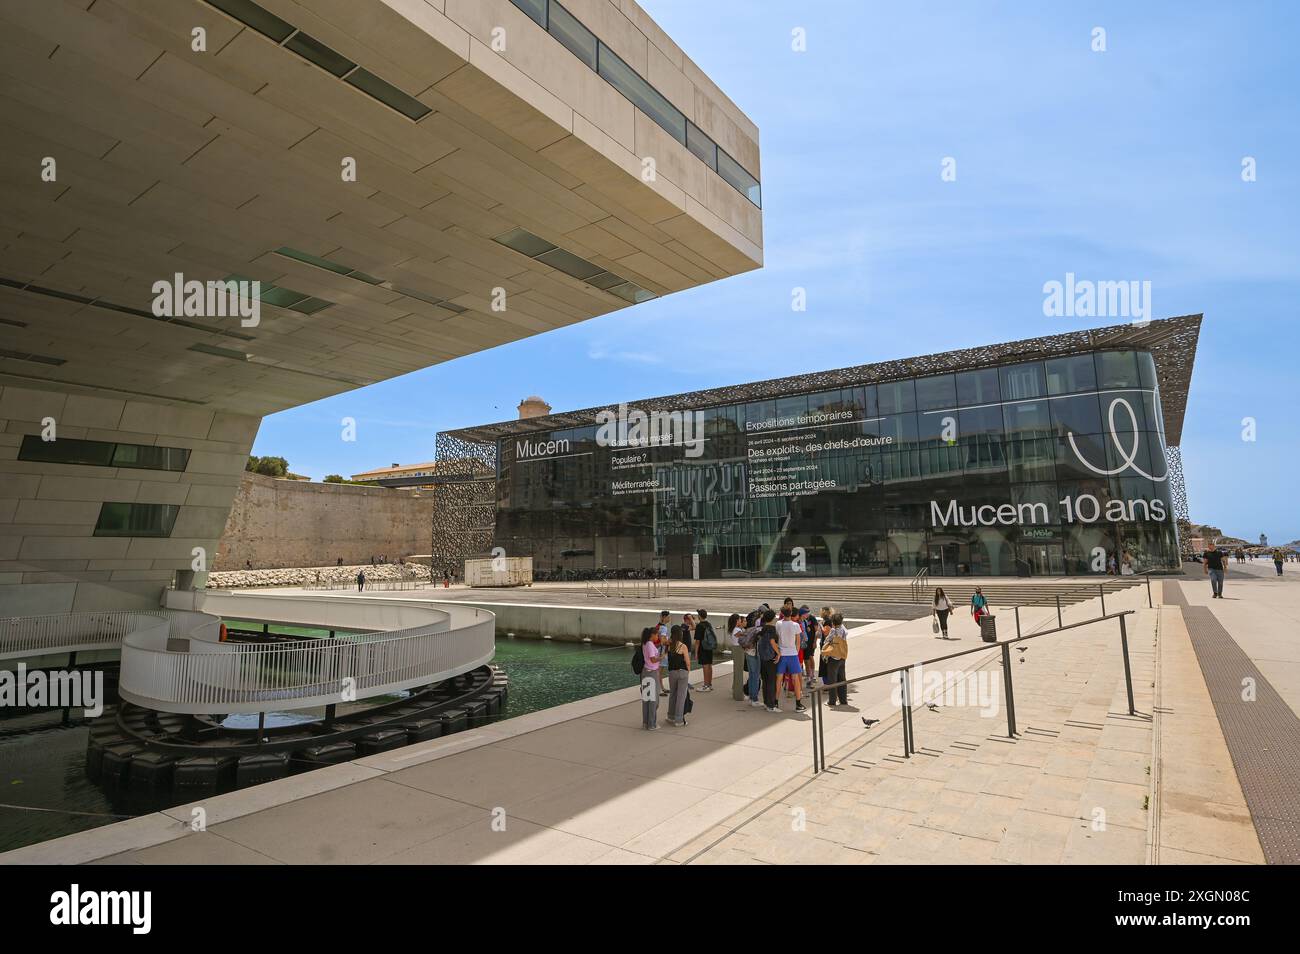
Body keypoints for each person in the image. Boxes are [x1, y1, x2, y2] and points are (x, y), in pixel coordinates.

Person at [774, 607, 807, 712]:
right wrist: (795, 652)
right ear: (791, 613)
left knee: (779, 679)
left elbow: (777, 638)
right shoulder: (796, 625)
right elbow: (798, 641)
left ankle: (775, 703)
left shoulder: (778, 624)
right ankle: (798, 704)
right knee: (795, 679)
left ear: (782, 613)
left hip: (782, 654)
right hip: (792, 654)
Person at [666, 624, 692, 727]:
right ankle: (679, 720)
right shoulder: (683, 646)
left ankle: (670, 716)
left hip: (672, 672)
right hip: (682, 672)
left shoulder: (669, 645)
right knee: (681, 696)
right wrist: (688, 671)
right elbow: (688, 662)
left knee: (672, 694)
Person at [821, 612, 849, 706]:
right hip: (842, 655)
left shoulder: (833, 630)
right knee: (842, 679)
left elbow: (827, 640)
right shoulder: (843, 629)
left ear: (833, 622)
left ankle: (832, 701)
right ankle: (843, 700)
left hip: (833, 657)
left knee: (832, 680)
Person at [640, 627, 661, 730]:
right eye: (657, 635)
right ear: (652, 635)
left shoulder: (645, 643)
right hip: (651, 673)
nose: (658, 637)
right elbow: (653, 659)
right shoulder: (649, 644)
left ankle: (646, 722)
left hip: (645, 672)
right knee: (654, 700)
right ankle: (652, 724)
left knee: (646, 698)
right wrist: (662, 657)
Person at [758, 609, 779, 711]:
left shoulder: (763, 628)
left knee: (765, 680)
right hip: (770, 657)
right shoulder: (771, 628)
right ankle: (771, 705)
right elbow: (772, 641)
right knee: (771, 681)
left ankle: (766, 702)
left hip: (762, 657)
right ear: (772, 618)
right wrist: (779, 653)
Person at [694, 609, 717, 691]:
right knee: (709, 665)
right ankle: (709, 684)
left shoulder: (699, 626)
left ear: (699, 616)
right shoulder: (708, 624)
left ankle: (706, 685)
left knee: (705, 666)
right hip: (709, 647)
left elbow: (697, 641)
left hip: (703, 648)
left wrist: (696, 653)